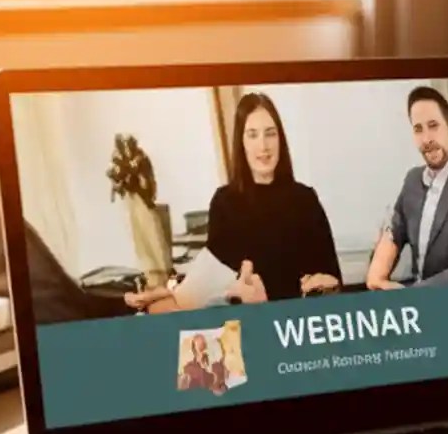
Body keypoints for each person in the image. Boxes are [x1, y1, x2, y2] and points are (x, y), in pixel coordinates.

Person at [124, 92, 341, 311]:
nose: (263, 146)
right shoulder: (225, 203)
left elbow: (334, 282)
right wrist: (169, 296)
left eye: (270, 134)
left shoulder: (306, 200)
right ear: (241, 142)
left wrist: (325, 286)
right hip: (246, 328)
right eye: (252, 135)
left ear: (280, 140)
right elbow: (210, 284)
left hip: (299, 325)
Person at [366, 85, 448, 289]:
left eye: (433, 125)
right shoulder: (412, 180)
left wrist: (411, 296)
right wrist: (376, 276)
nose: (426, 139)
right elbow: (394, 231)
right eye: (418, 129)